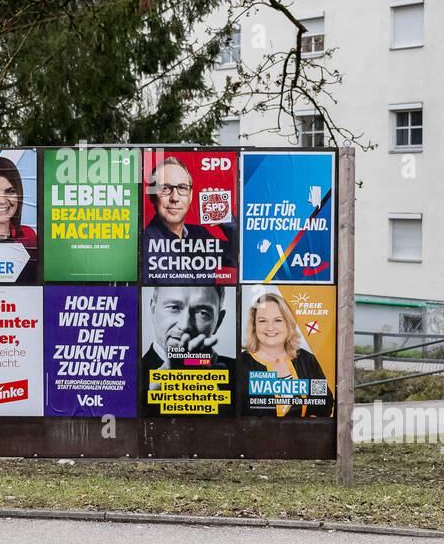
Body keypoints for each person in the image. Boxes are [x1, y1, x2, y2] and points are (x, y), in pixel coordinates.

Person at [140, 286, 236, 417]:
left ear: (218, 321)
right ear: (152, 310)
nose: (185, 325)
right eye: (174, 307)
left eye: (202, 313)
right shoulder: (126, 376)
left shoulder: (240, 374)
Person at [237, 290, 334, 418]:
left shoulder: (306, 360)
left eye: (277, 320)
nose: (270, 327)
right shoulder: (240, 365)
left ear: (288, 324)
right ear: (254, 325)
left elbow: (325, 401)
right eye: (262, 321)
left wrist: (315, 419)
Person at [142, 155, 235, 282]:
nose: (175, 197)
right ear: (152, 196)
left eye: (182, 188)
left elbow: (242, 260)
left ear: (190, 196)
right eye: (165, 188)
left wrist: (229, 224)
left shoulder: (201, 235)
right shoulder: (143, 248)